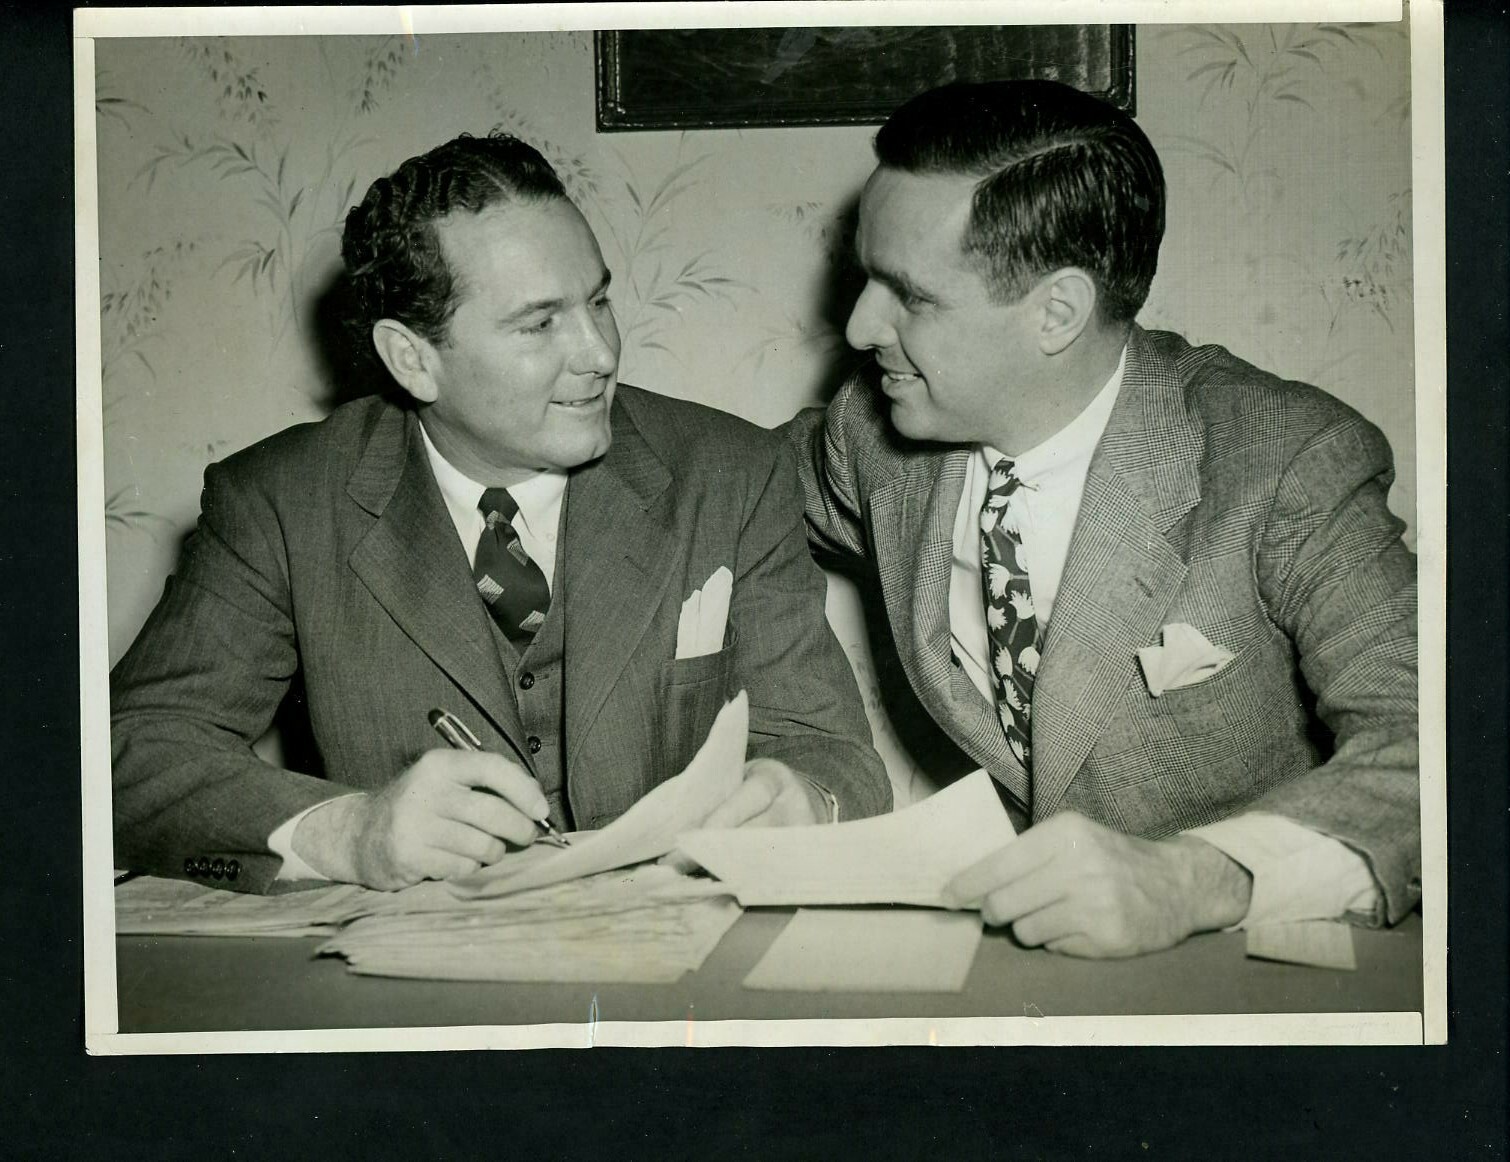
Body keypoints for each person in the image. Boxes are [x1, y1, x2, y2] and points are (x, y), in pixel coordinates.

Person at [112, 132, 890, 894]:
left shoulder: (731, 473)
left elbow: (836, 759)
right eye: (539, 323)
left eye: (598, 301)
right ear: (413, 358)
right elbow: (130, 755)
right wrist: (347, 832)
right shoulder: (280, 504)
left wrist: (805, 802)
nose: (599, 352)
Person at [784, 80, 1418, 958]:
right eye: (864, 278)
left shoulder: (1283, 459)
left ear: (1057, 311)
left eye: (910, 296)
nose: (858, 328)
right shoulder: (871, 436)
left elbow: (1443, 745)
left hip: (1255, 964)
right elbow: (699, 482)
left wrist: (1200, 879)